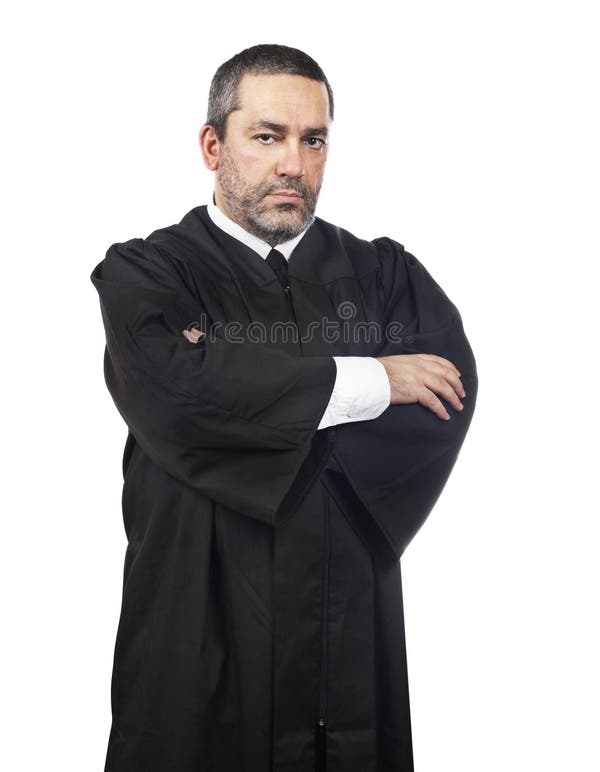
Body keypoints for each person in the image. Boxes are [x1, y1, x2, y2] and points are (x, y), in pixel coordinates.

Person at [90, 44, 478, 772]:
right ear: (214, 145)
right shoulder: (148, 273)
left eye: (314, 139)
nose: (293, 164)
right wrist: (367, 383)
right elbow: (178, 395)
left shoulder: (385, 275)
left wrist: (253, 401)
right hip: (196, 612)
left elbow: (445, 393)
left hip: (344, 627)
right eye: (267, 136)